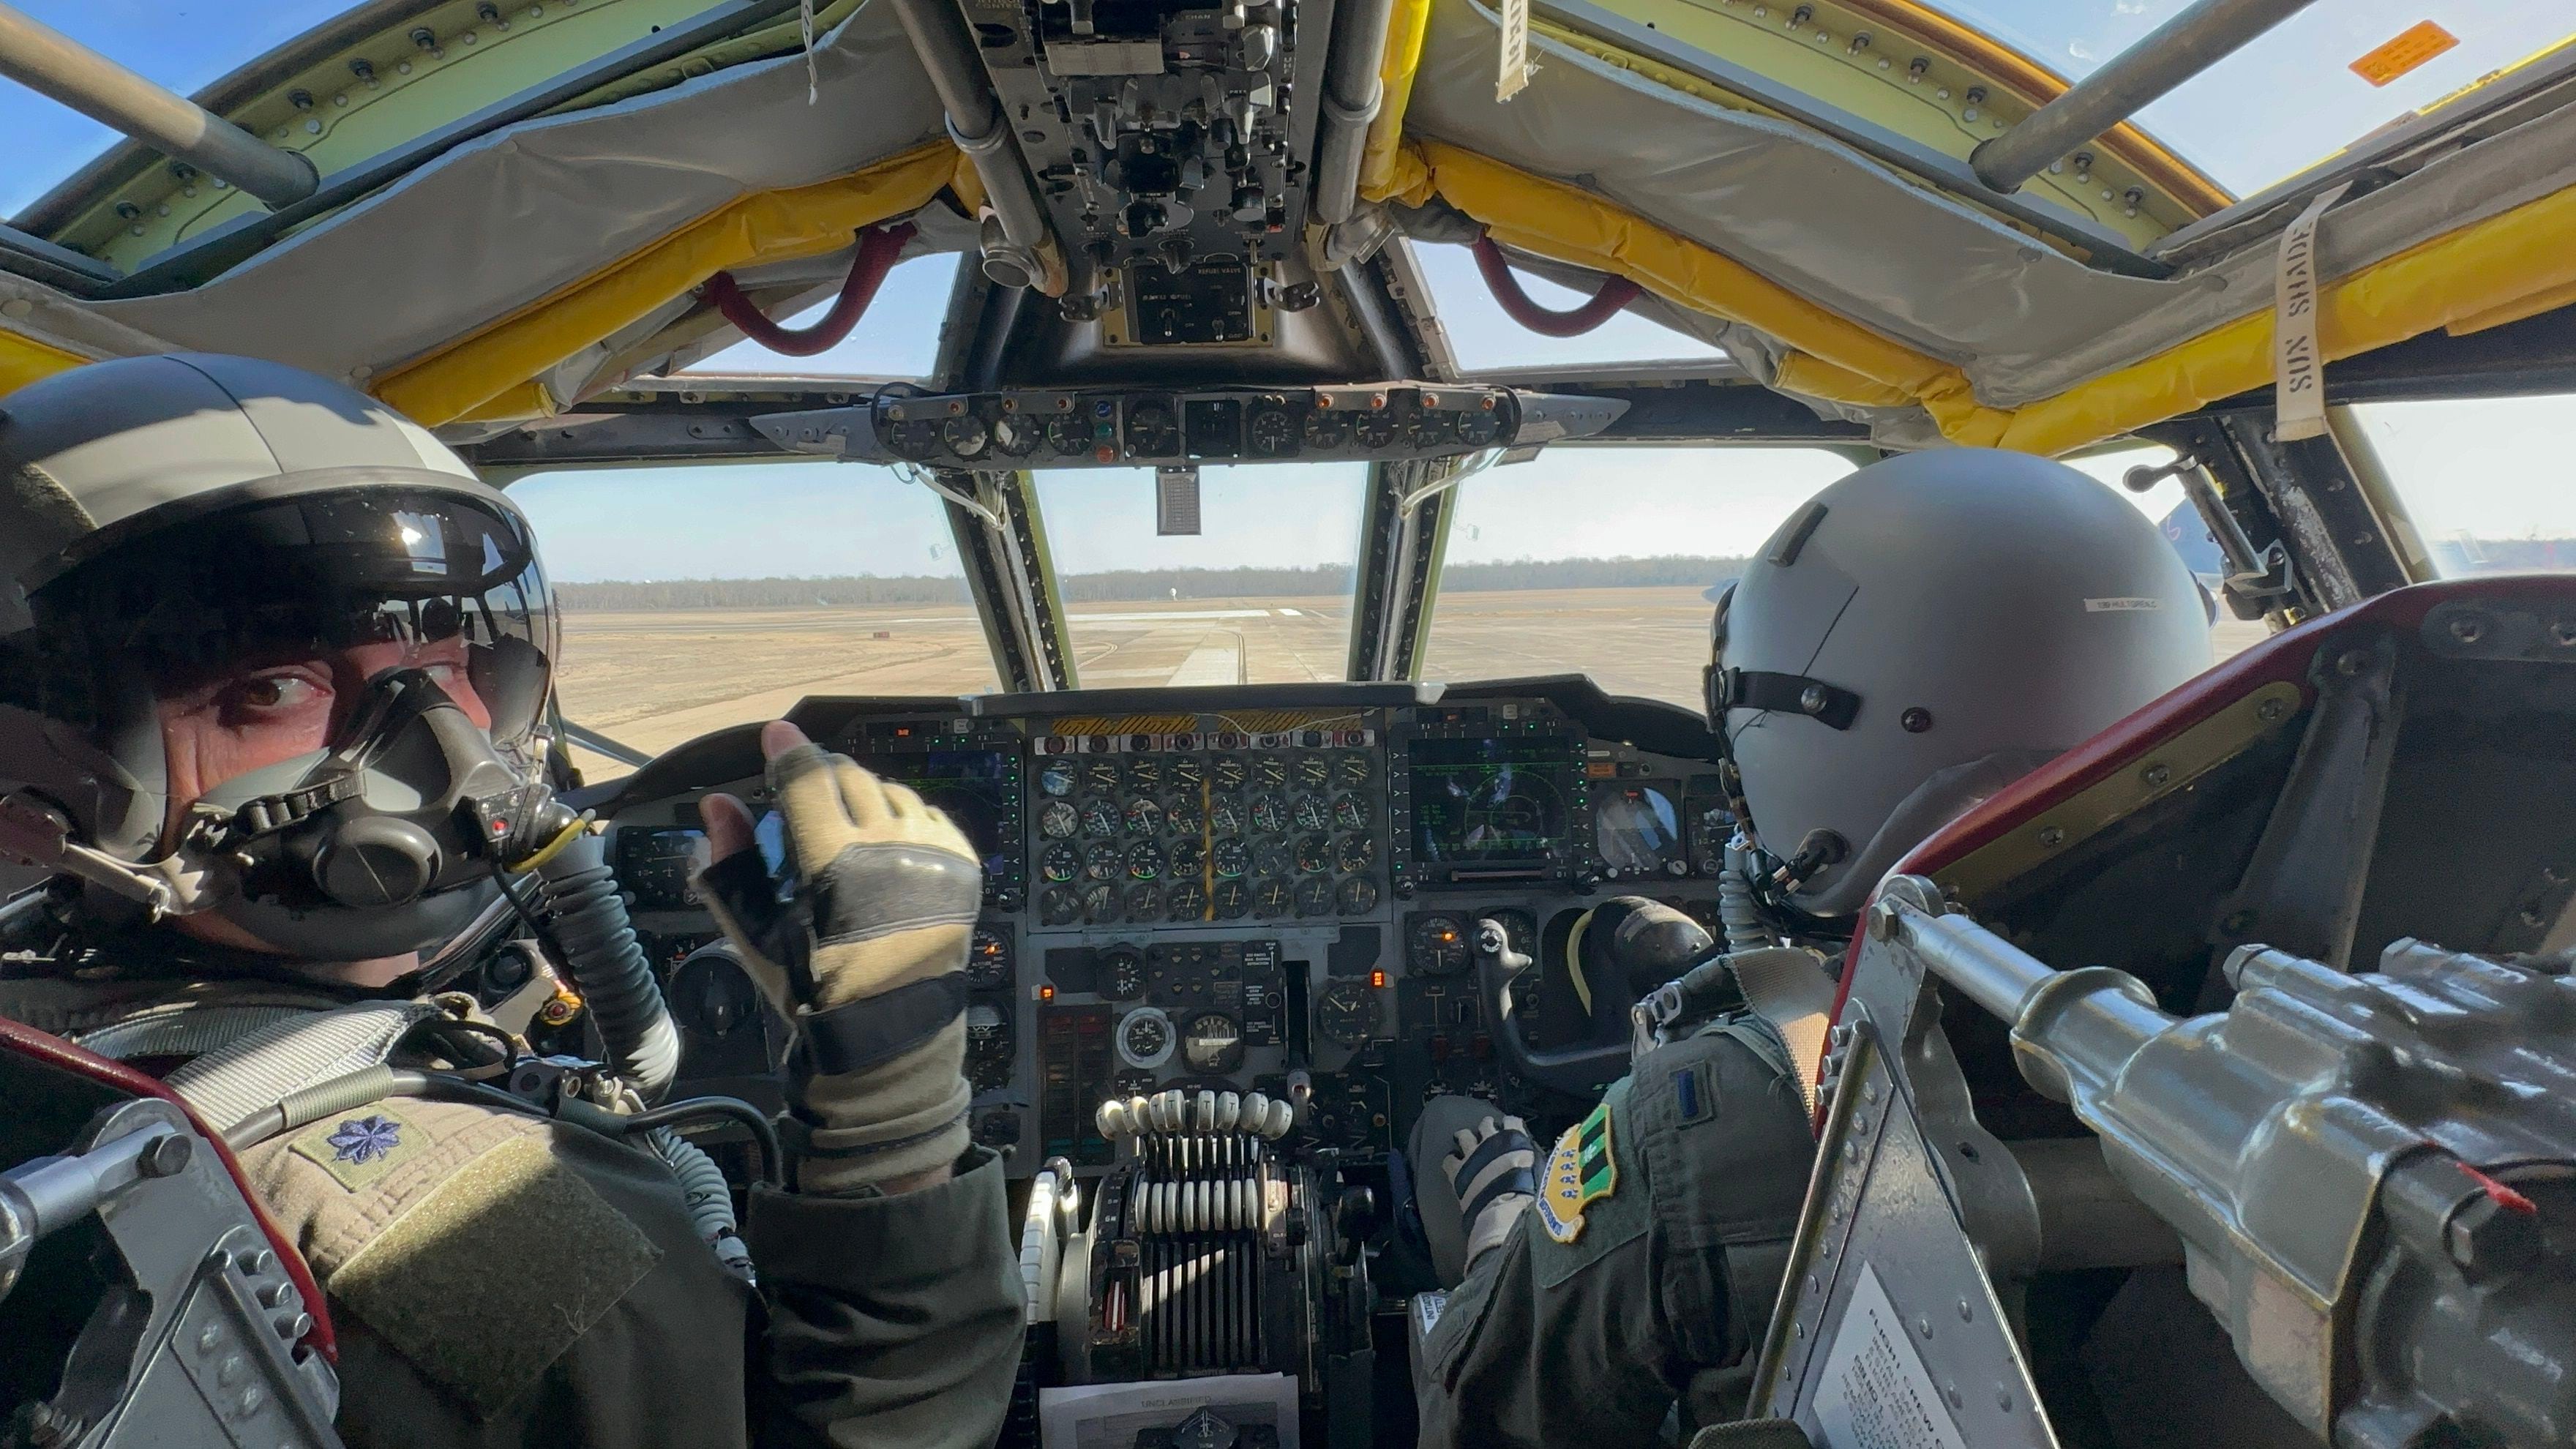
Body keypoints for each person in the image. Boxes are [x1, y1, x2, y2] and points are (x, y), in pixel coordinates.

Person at [0, 353, 1022, 1447]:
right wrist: (894, 1113)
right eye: (275, 687)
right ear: (47, 759)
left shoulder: (40, 1041)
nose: (448, 750)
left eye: (449, 665)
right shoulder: (498, 1250)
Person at [1409, 447, 2214, 1448]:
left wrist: (1508, 1223)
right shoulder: (2260, 1004)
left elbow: (1476, 1413)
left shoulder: (1721, 1112)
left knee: (1459, 1136)